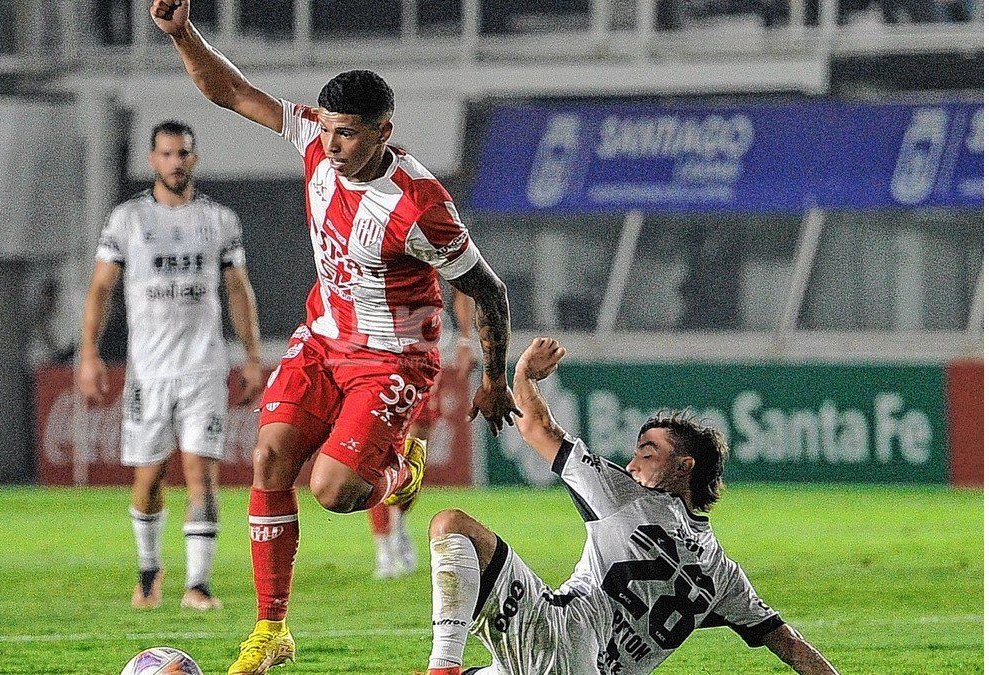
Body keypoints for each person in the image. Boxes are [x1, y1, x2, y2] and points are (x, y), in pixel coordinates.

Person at [148, 3, 520, 672]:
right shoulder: (315, 139)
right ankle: (272, 628)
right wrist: (182, 33)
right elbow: (229, 89)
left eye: (351, 135)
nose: (336, 145)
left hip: (392, 357)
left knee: (335, 491)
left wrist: (493, 380)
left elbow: (487, 290)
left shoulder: (420, 207)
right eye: (331, 131)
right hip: (322, 338)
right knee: (267, 460)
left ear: (384, 131)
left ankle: (399, 469)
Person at [424, 337, 840, 675]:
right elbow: (787, 644)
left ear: (683, 466)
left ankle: (442, 666)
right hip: (581, 664)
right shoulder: (723, 574)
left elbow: (536, 426)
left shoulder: (626, 497)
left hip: (558, 636)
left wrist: (523, 374)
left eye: (647, 453)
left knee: (451, 525)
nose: (630, 464)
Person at [79, 121, 264, 612]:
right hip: (148, 371)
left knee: (202, 474)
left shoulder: (220, 220)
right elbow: (100, 290)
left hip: (204, 367)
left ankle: (198, 585)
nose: (175, 162)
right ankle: (149, 571)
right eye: (165, 154)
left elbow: (237, 290)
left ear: (194, 159)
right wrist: (90, 354)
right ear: (152, 159)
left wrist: (249, 355)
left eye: (183, 153)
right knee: (149, 477)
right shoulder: (127, 220)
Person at [367, 290, 475, 579]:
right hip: (380, 340)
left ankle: (398, 521)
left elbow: (462, 281)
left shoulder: (434, 244)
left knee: (414, 448)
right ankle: (383, 545)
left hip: (427, 341)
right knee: (380, 447)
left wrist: (466, 339)